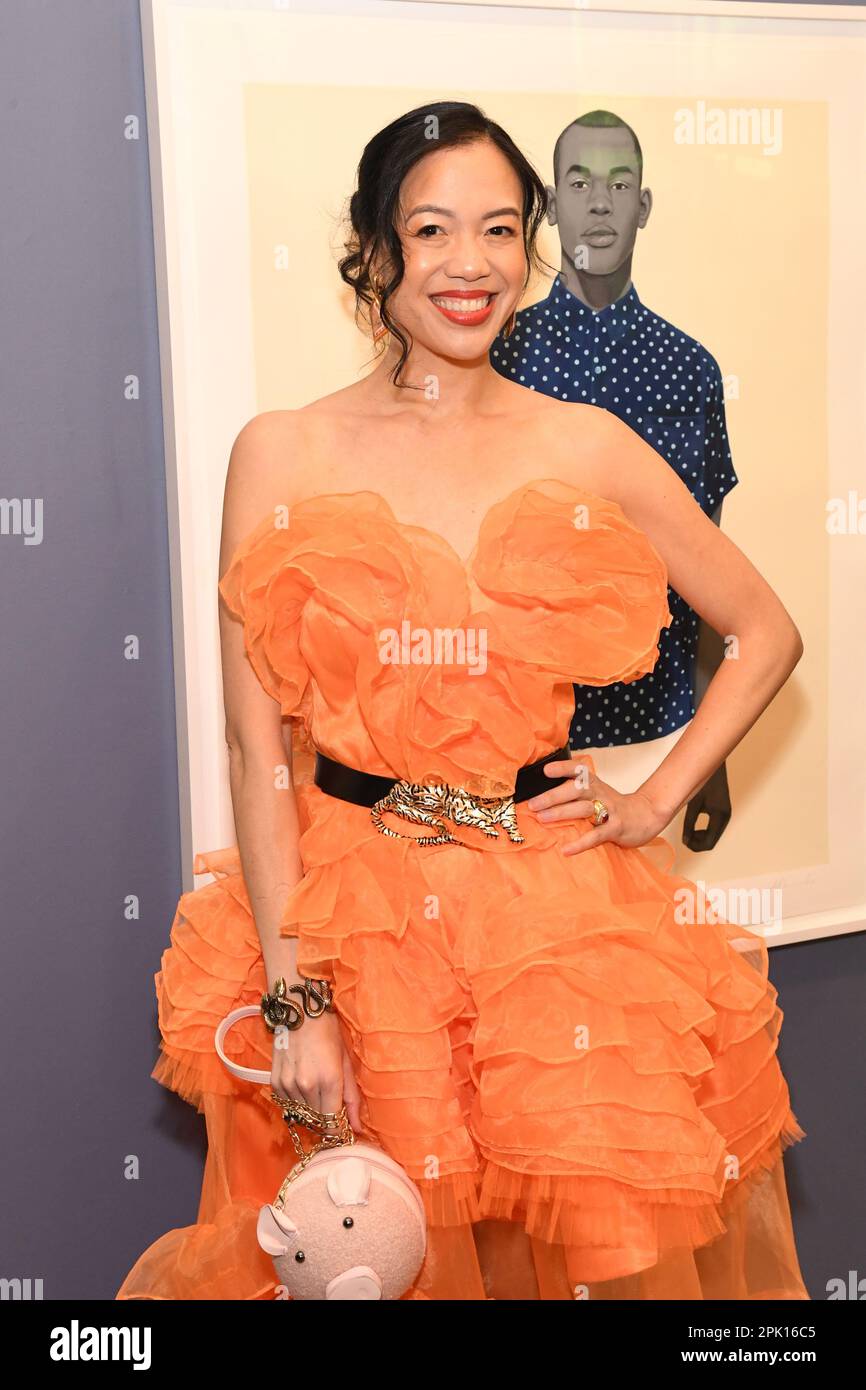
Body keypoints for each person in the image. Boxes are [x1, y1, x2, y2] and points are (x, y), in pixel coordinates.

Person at [117, 101, 808, 1301]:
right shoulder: (280, 451)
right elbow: (253, 748)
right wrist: (298, 1000)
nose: (469, 263)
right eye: (431, 229)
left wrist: (652, 802)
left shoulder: (583, 443)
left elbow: (763, 631)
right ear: (374, 251)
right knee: (364, 1256)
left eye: (499, 229)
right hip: (343, 923)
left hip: (547, 934)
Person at [490, 110, 737, 851]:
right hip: (518, 746)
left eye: (619, 183)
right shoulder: (496, 358)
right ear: (552, 203)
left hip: (657, 738)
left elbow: (710, 587)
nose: (599, 202)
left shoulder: (691, 369)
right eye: (578, 182)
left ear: (644, 206)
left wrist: (708, 762)